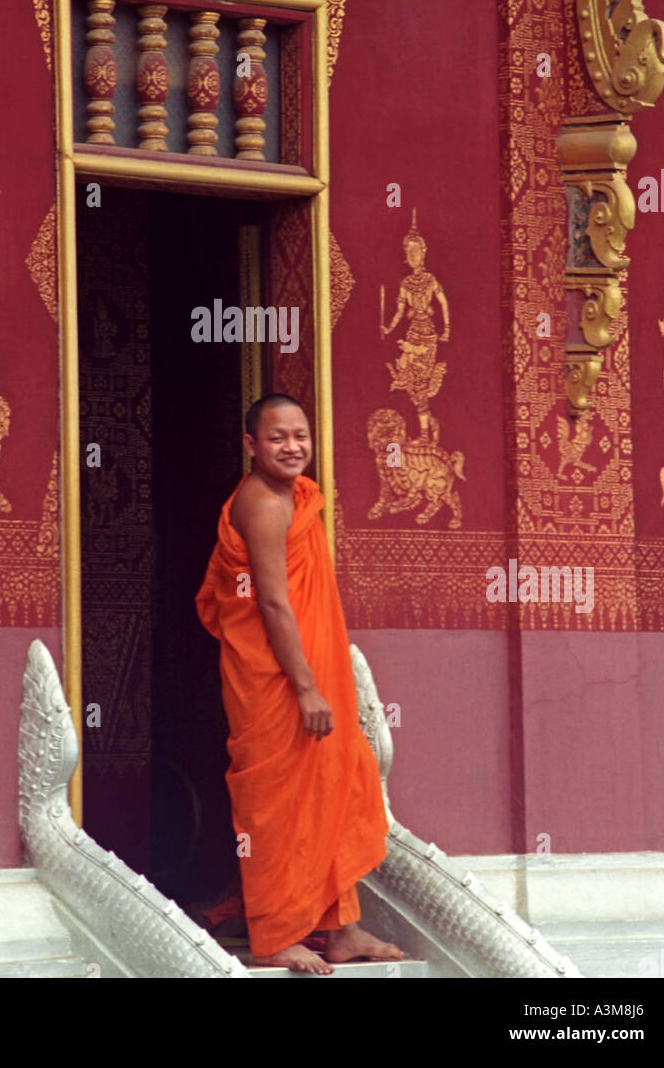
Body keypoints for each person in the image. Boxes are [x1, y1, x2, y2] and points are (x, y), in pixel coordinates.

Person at [195, 392, 405, 973]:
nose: (292, 447)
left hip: (311, 669)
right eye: (277, 438)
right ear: (251, 446)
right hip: (279, 679)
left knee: (332, 787)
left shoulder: (298, 497)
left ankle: (342, 930)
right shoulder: (262, 503)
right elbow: (271, 601)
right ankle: (273, 936)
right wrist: (307, 687)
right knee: (277, 803)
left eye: (300, 436)